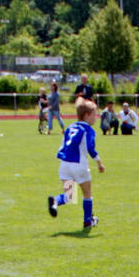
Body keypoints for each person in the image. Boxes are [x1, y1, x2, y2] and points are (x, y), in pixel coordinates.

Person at [46, 96, 105, 227]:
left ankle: (55, 201)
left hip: (65, 165)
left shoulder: (70, 128)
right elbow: (91, 148)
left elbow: (62, 147)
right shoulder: (88, 130)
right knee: (87, 194)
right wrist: (99, 162)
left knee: (69, 196)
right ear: (86, 115)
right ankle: (87, 221)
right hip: (79, 165)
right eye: (94, 115)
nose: (96, 118)